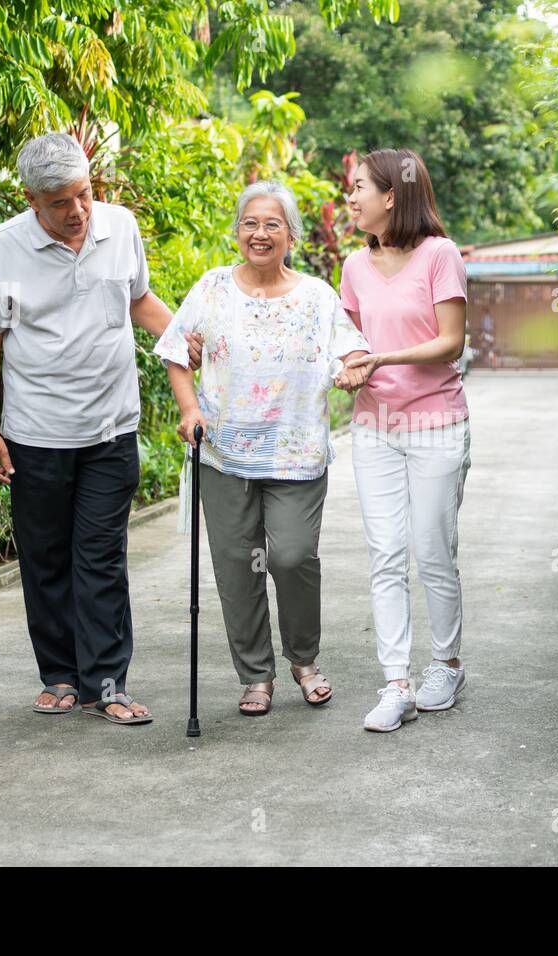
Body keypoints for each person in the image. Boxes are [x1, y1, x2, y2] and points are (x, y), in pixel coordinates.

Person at [0, 132, 197, 726]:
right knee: (45, 558)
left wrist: (185, 340)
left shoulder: (119, 228)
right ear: (31, 200)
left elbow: (139, 301)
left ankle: (108, 682)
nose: (78, 212)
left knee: (101, 557)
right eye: (61, 202)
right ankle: (60, 677)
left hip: (110, 429)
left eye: (85, 194)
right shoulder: (3, 247)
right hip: (35, 434)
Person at [155, 180, 371, 717]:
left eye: (272, 223)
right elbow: (177, 351)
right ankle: (256, 675)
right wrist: (189, 409)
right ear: (236, 231)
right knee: (236, 566)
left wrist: (350, 371)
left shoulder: (318, 296)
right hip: (224, 455)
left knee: (292, 556)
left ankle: (304, 659)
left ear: (291, 235)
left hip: (295, 456)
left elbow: (356, 351)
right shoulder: (212, 288)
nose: (260, 233)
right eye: (250, 222)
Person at [338, 148, 472, 732]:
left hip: (437, 424)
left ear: (392, 195)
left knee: (432, 550)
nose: (350, 196)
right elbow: (346, 340)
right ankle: (396, 681)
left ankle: (445, 663)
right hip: (374, 429)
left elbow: (451, 342)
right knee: (386, 555)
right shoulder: (352, 266)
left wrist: (382, 357)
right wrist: (346, 369)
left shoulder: (440, 255)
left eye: (359, 186)